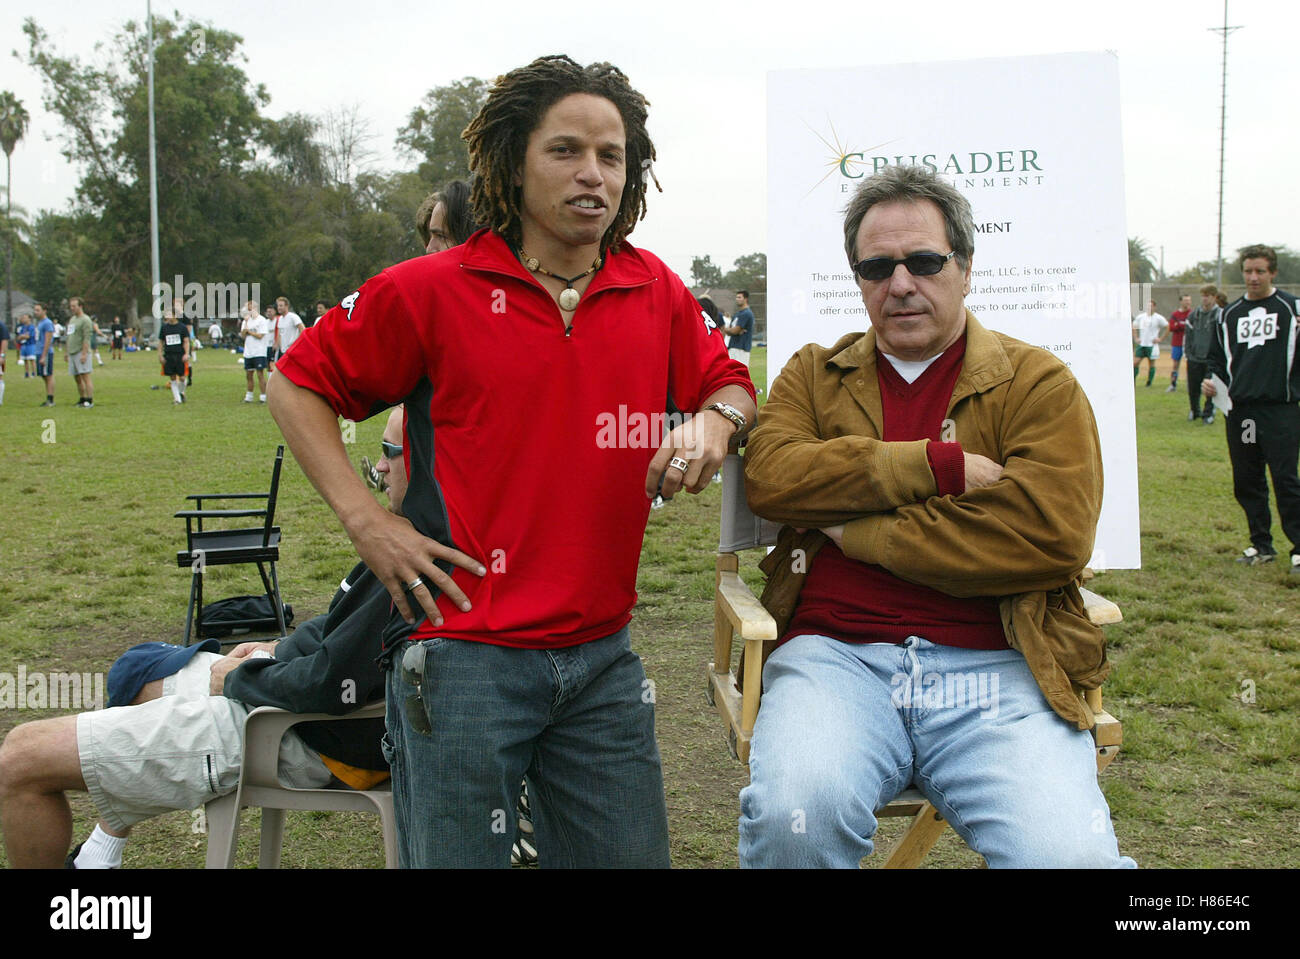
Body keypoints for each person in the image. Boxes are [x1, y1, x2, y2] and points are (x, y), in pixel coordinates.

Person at [269, 54, 756, 868]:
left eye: (611, 156)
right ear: (513, 163)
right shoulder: (431, 288)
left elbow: (731, 382)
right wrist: (369, 522)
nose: (592, 174)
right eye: (565, 150)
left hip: (605, 661)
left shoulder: (656, 290)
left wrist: (716, 420)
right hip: (463, 657)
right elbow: (297, 384)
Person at [738, 164, 1133, 868]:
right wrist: (933, 465)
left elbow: (1049, 536)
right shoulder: (810, 373)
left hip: (1002, 666)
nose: (900, 284)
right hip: (836, 660)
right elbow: (772, 477)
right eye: (876, 266)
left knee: (1068, 858)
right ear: (857, 277)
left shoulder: (1036, 382)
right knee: (796, 821)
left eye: (924, 261)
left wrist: (855, 530)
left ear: (966, 267)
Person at [0, 408, 421, 869]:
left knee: (21, 759)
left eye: (388, 452)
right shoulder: (412, 535)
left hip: (300, 732)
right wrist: (274, 648)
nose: (378, 467)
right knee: (139, 668)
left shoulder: (413, 560)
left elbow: (328, 684)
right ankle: (103, 846)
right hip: (290, 700)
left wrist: (242, 678)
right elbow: (341, 635)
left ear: (425, 460)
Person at [1203, 244, 1300, 574]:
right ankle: (1261, 545)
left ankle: (1299, 548)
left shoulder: (1291, 308)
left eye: (1260, 271)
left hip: (1281, 410)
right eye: (1248, 271)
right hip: (1242, 412)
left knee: (1285, 480)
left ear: (1272, 272)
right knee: (1247, 479)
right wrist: (1211, 381)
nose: (1253, 277)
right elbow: (1217, 358)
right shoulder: (1229, 314)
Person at [1184, 284, 1221, 424]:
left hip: (1212, 360)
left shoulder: (1220, 315)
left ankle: (1208, 413)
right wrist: (1189, 354)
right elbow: (1188, 336)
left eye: (1208, 296)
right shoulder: (1194, 315)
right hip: (1195, 358)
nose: (1205, 299)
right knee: (1193, 388)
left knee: (1211, 388)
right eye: (1203, 295)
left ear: (1214, 297)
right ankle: (1194, 410)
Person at [65, 297, 96, 408]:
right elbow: (69, 336)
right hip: (72, 352)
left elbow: (86, 338)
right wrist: (66, 352)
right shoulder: (72, 319)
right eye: (71, 306)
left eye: (74, 306)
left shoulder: (85, 320)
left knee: (85, 376)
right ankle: (82, 398)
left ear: (80, 306)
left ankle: (89, 399)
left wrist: (84, 354)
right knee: (77, 377)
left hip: (81, 352)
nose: (72, 308)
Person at [157, 305, 191, 405]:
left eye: (169, 314)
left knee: (182, 377)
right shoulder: (164, 328)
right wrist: (160, 355)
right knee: (172, 377)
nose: (167, 316)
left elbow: (186, 341)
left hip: (179, 355)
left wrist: (186, 354)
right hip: (168, 355)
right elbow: (160, 342)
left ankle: (181, 393)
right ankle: (177, 399)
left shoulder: (182, 327)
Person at [1132, 298, 1167, 387]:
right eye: (1147, 306)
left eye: (1151, 306)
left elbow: (1168, 326)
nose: (1149, 308)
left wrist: (1160, 339)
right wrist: (1136, 338)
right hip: (1142, 344)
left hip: (1152, 345)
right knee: (1135, 363)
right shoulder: (1141, 317)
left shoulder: (1158, 318)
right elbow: (1134, 326)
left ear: (1154, 307)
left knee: (1151, 363)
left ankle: (1149, 382)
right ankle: (1133, 381)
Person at [240, 303, 271, 402]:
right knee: (249, 374)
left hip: (259, 351)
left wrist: (249, 332)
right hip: (248, 352)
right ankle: (249, 396)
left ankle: (263, 396)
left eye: (250, 309)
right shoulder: (246, 321)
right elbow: (243, 335)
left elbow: (260, 335)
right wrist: (245, 325)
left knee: (260, 374)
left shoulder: (261, 320)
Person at [1166, 293, 1191, 392]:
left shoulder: (1192, 313)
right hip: (1177, 343)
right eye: (1185, 300)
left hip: (1189, 344)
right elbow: (1171, 327)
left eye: (1189, 300)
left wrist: (1180, 324)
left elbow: (1192, 327)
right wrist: (1182, 325)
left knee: (1190, 365)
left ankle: (1190, 385)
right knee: (1175, 365)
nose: (1187, 302)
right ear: (1181, 302)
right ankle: (1173, 384)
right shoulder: (1175, 314)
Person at [724, 290, 755, 367]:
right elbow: (729, 330)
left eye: (739, 297)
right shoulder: (737, 314)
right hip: (733, 346)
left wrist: (733, 330)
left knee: (740, 374)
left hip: (741, 348)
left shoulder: (746, 313)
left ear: (745, 299)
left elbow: (734, 330)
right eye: (736, 297)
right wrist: (731, 330)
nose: (737, 299)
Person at [272, 297, 304, 365]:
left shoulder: (293, 317)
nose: (279, 308)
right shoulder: (280, 318)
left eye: (281, 305)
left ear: (286, 306)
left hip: (292, 350)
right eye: (278, 306)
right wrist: (277, 344)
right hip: (283, 351)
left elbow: (303, 329)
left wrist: (296, 343)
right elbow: (280, 333)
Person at [34, 303, 55, 406]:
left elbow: (48, 340)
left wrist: (44, 355)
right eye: (35, 310)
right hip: (38, 351)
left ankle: (50, 399)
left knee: (48, 375)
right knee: (43, 375)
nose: (36, 312)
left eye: (38, 310)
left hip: (45, 352)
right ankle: (48, 397)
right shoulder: (40, 323)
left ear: (44, 310)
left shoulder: (47, 323)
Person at [17, 312, 37, 378]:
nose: (23, 319)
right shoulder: (22, 327)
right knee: (25, 360)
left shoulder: (31, 327)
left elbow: (29, 336)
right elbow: (19, 337)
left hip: (30, 345)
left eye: (25, 318)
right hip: (24, 345)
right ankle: (26, 373)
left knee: (32, 359)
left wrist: (23, 336)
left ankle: (34, 373)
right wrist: (23, 336)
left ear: (29, 319)